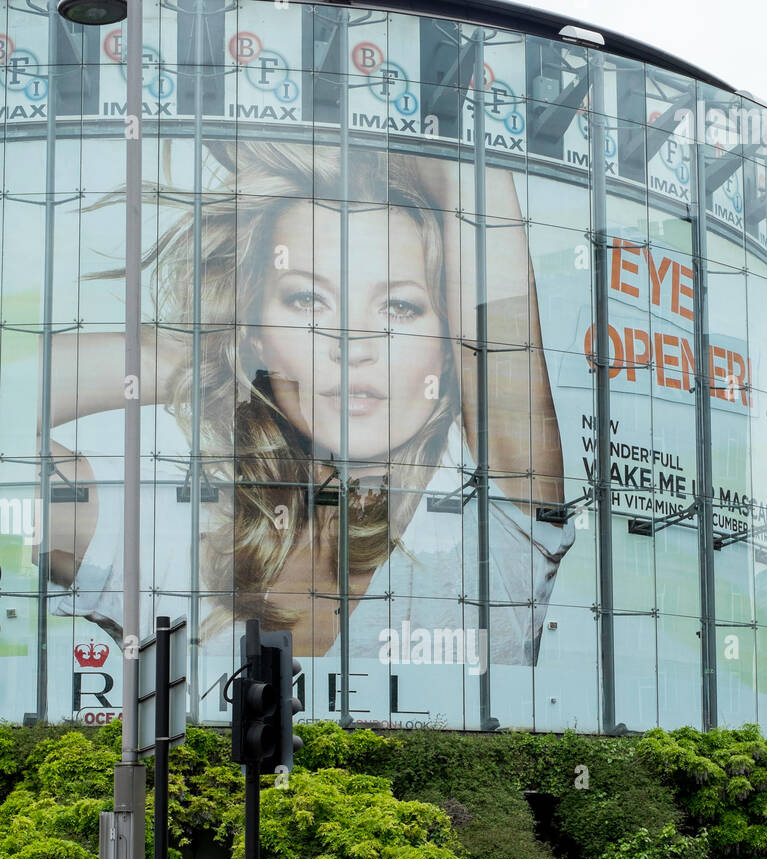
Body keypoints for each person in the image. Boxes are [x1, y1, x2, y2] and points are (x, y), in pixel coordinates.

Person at [40, 142, 572, 684]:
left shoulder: (494, 535)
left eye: (399, 306)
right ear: (258, 336)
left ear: (449, 344)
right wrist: (214, 351)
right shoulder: (166, 542)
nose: (353, 342)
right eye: (308, 301)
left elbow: (469, 177)